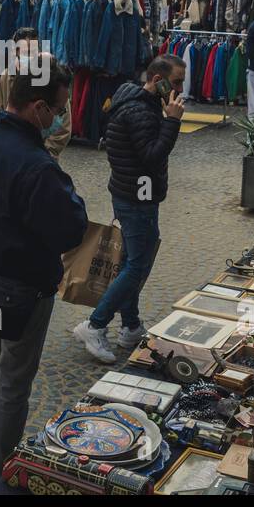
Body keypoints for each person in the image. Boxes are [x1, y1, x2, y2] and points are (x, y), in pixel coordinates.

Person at [0, 60, 88, 487]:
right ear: (37, 108)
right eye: (59, 108)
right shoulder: (38, 165)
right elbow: (69, 230)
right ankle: (0, 476)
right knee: (13, 381)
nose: (62, 116)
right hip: (22, 288)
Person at [74, 54, 185, 363]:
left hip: (129, 194)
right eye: (176, 82)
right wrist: (173, 121)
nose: (181, 88)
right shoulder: (142, 112)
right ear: (157, 80)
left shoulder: (133, 99)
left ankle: (131, 326)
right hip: (137, 199)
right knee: (137, 265)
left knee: (131, 263)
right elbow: (153, 155)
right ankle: (95, 325)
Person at [0, 28, 70, 158]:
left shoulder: (52, 78)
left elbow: (63, 124)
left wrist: (45, 152)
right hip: (11, 152)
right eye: (26, 52)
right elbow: (1, 111)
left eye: (34, 52)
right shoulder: (7, 76)